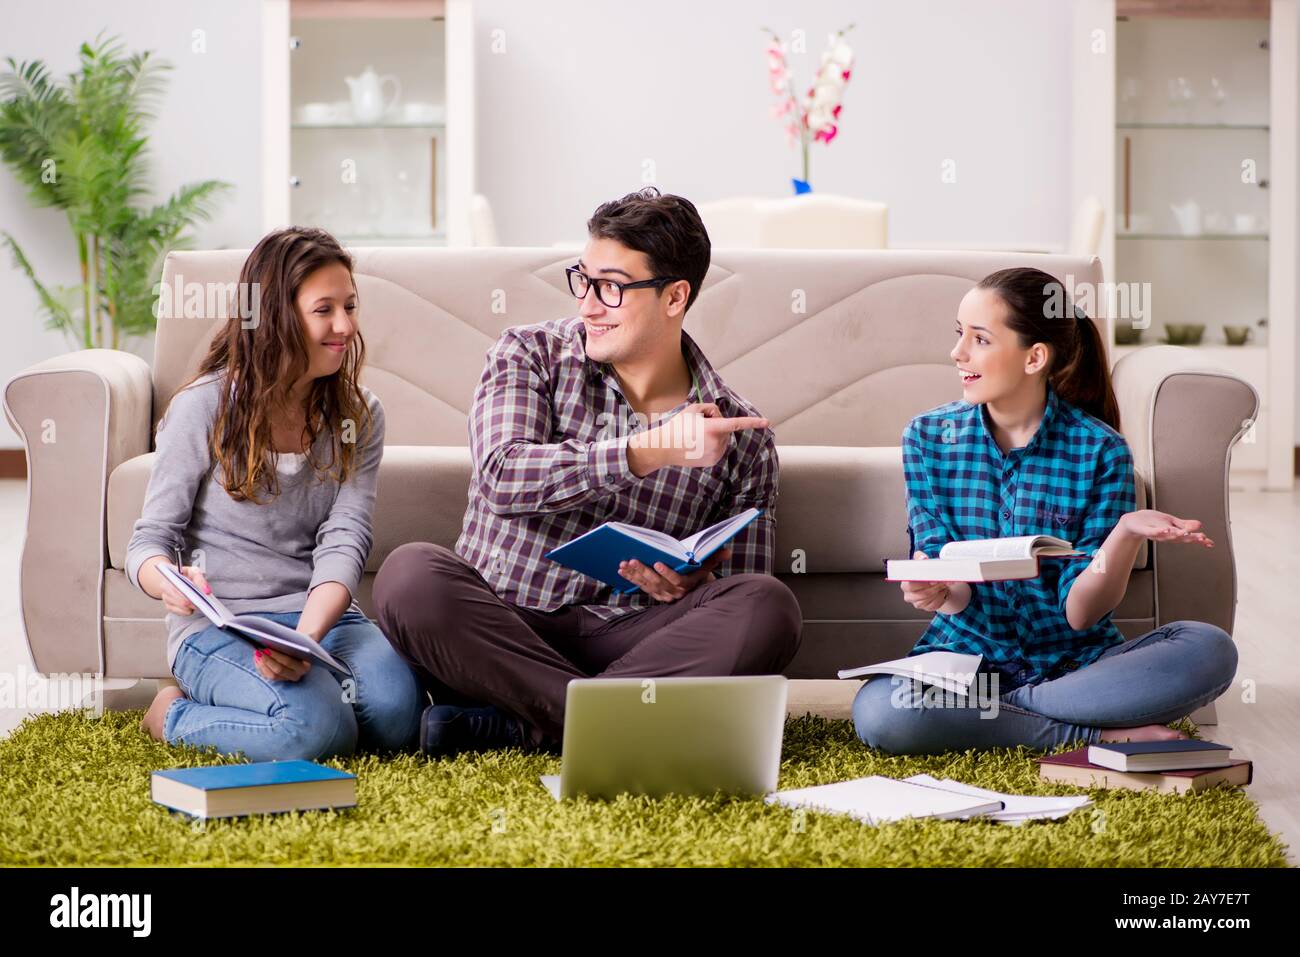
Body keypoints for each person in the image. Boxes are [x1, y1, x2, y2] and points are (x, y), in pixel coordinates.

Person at [373, 187, 802, 757]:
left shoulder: (737, 433)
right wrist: (648, 450)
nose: (588, 306)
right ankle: (606, 726)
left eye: (611, 288)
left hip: (629, 645)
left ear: (675, 297)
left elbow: (736, 584)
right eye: (583, 280)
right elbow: (503, 474)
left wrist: (695, 585)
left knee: (767, 607)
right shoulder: (527, 355)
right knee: (409, 577)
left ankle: (528, 725)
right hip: (502, 628)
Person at [852, 267, 1238, 755]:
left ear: (1034, 357)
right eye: (959, 335)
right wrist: (938, 588)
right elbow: (947, 577)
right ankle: (1091, 731)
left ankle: (1016, 712)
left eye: (980, 339)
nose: (958, 353)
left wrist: (1123, 534)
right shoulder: (927, 438)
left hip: (1078, 665)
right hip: (966, 664)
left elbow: (1081, 614)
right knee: (883, 713)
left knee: (1209, 648)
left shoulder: (1100, 450)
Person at [129, 226, 424, 761]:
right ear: (276, 317)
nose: (345, 326)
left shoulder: (360, 415)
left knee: (398, 717)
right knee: (318, 731)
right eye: (324, 310)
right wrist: (167, 580)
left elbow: (346, 538)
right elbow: (149, 540)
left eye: (350, 306)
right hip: (222, 622)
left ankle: (292, 697)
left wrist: (305, 641)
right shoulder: (203, 407)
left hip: (320, 618)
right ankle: (169, 713)